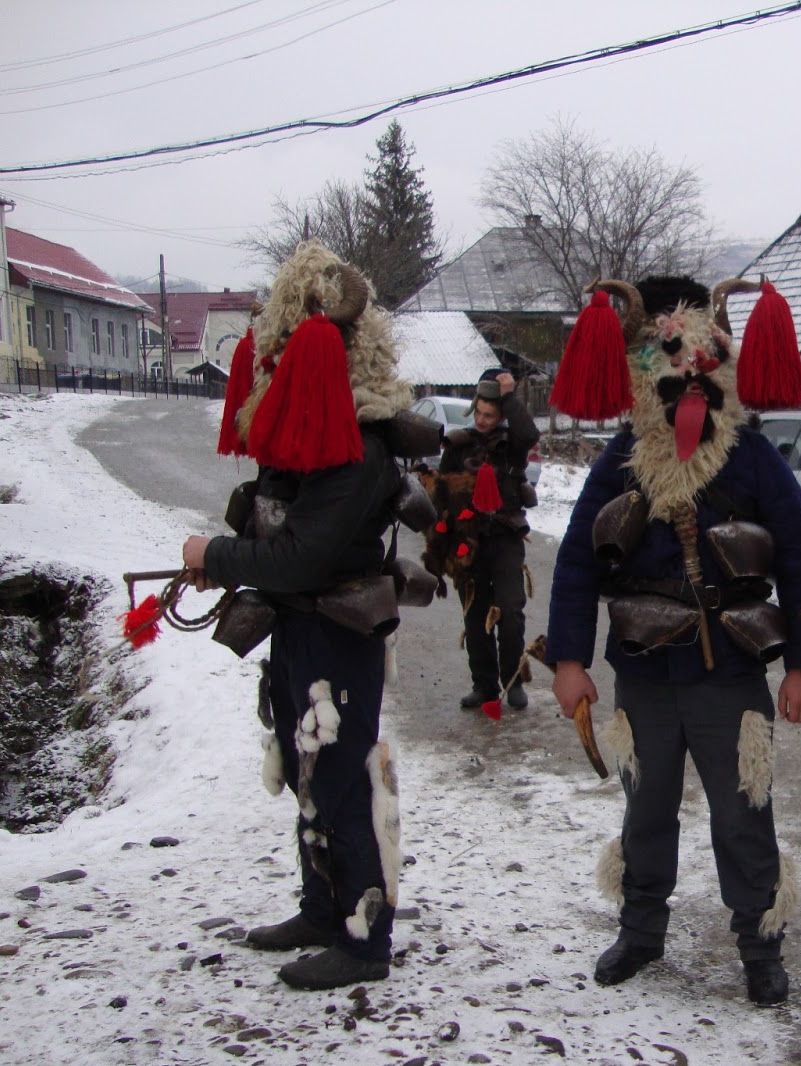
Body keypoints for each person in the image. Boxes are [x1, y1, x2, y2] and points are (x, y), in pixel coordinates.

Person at [545, 275, 801, 1007]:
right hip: (643, 668)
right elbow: (577, 559)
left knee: (743, 810)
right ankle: (641, 932)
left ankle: (759, 945)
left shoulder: (753, 458)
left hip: (729, 670)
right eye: (668, 367)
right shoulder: (620, 458)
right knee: (646, 809)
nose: (686, 381)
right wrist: (569, 660)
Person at [183, 241, 414, 991]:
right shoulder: (313, 444)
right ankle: (322, 908)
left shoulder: (355, 452)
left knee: (343, 778)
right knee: (309, 774)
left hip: (337, 634)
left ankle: (364, 940)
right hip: (302, 631)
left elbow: (298, 558)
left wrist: (213, 554)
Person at [440, 368, 539, 711]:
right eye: (478, 413)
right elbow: (440, 494)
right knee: (475, 613)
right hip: (470, 541)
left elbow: (529, 433)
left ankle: (512, 682)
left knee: (510, 611)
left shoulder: (512, 446)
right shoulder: (457, 445)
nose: (482, 421)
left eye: (490, 415)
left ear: (500, 416)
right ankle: (484, 685)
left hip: (505, 537)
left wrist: (510, 397)